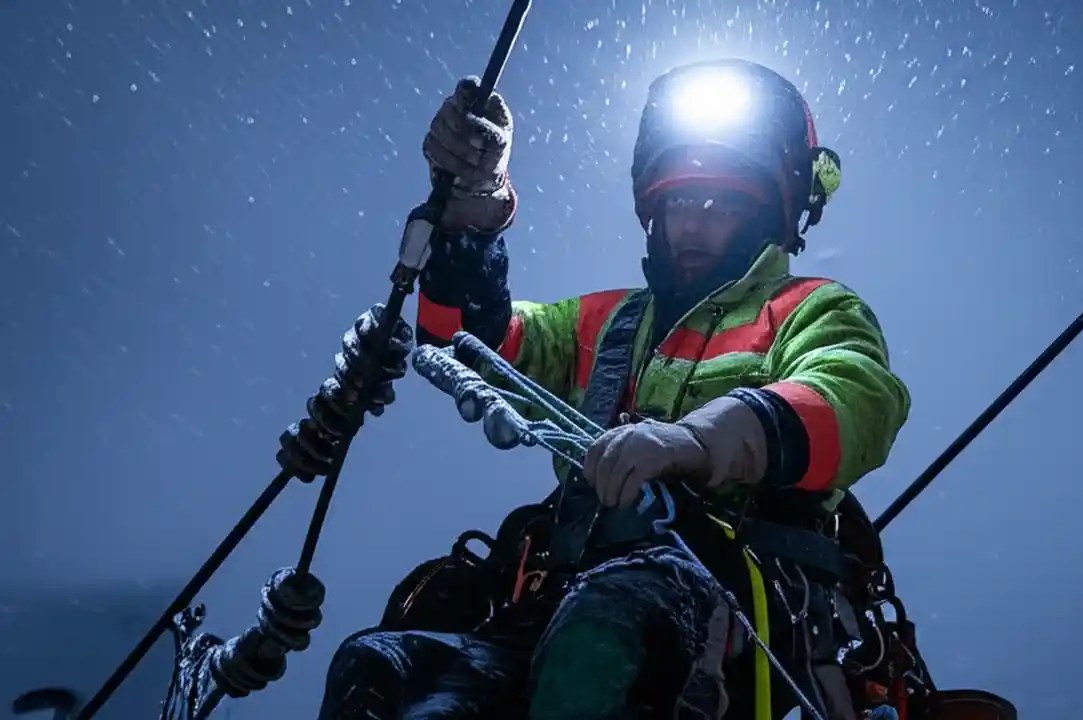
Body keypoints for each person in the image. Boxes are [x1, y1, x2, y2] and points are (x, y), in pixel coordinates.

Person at [318, 58, 911, 720]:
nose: (692, 224)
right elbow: (467, 342)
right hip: (549, 610)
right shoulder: (609, 324)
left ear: (772, 214)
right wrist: (473, 207)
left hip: (716, 615)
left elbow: (855, 398)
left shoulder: (810, 310)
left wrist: (697, 439)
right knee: (381, 672)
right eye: (680, 202)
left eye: (721, 205)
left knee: (597, 640)